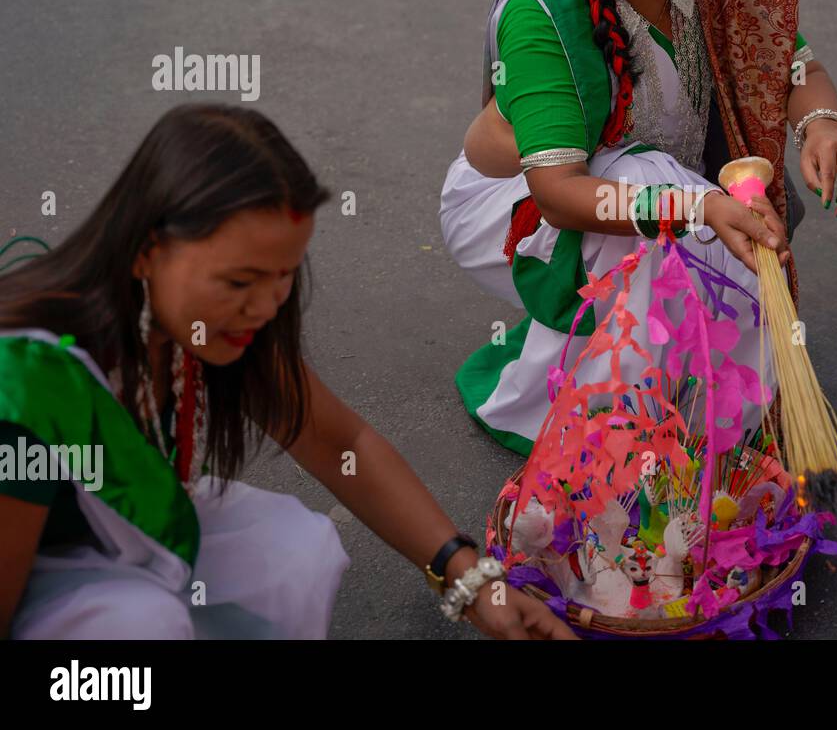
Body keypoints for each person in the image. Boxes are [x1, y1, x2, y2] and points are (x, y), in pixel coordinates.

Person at [0, 104, 574, 639]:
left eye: (282, 277)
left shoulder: (208, 317)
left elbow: (335, 441)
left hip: (114, 545)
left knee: (294, 554)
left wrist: (470, 579)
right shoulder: (27, 383)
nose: (264, 308)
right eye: (239, 281)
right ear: (148, 251)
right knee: (140, 623)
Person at [440, 0, 837, 454]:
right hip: (519, 207)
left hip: (669, 189)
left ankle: (715, 419)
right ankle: (624, 436)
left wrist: (823, 123)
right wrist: (700, 206)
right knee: (659, 204)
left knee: (726, 215)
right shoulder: (545, 9)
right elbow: (556, 190)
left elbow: (793, 62)